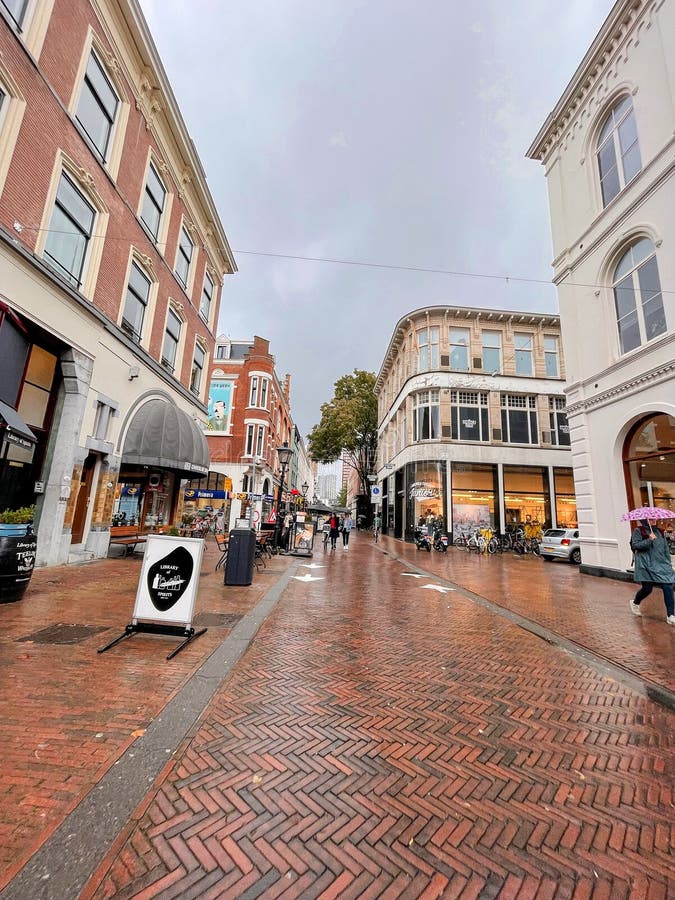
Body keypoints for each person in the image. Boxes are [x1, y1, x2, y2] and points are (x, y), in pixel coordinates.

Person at [629, 518, 675, 624]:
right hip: (646, 565)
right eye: (651, 519)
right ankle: (635, 602)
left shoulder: (660, 532)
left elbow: (665, 549)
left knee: (668, 586)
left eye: (655, 519)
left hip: (661, 565)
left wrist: (668, 563)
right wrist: (649, 540)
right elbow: (635, 545)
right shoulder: (638, 531)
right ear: (645, 520)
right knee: (647, 589)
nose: (654, 520)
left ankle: (671, 615)